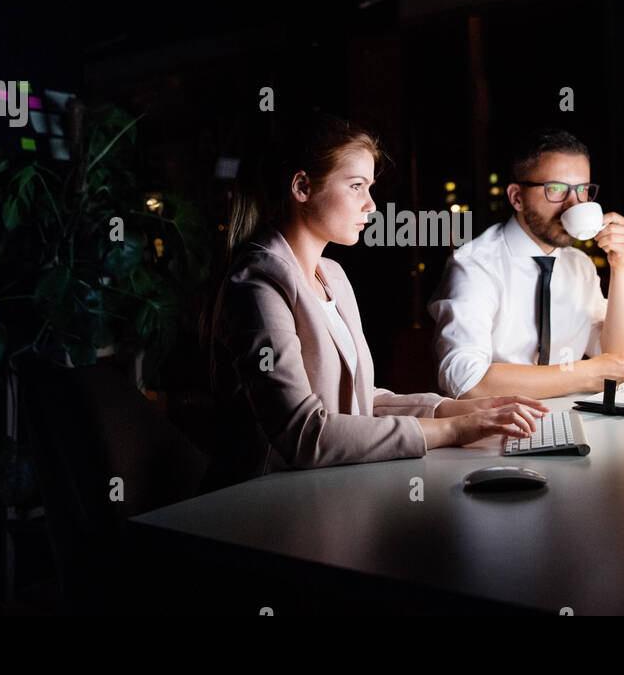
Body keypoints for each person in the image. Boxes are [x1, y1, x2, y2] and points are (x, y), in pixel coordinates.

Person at [205, 113, 547, 489]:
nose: (370, 205)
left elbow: (355, 402)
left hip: (321, 488)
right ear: (302, 187)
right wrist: (452, 429)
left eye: (369, 187)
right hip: (258, 502)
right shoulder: (257, 284)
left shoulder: (331, 274)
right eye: (356, 186)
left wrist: (454, 409)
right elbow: (304, 434)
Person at [428, 129, 624, 400]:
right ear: (516, 197)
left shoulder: (580, 266)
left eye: (583, 191)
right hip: (496, 430)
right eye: (556, 189)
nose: (573, 205)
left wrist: (621, 265)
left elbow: (620, 360)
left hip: (571, 422)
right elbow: (466, 380)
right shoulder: (474, 265)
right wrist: (587, 373)